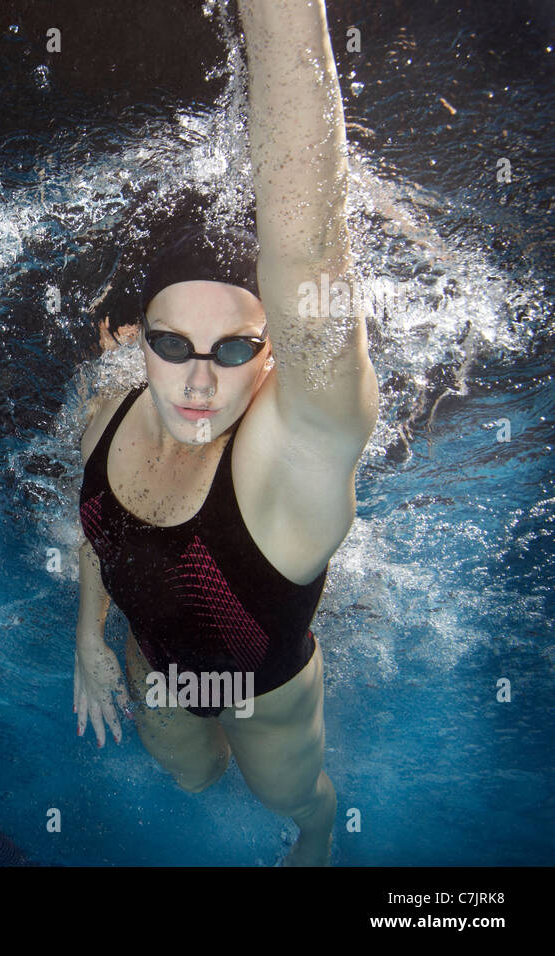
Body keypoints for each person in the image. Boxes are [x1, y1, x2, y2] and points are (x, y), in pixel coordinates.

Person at [73, 0, 379, 866]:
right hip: (158, 670)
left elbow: (310, 259)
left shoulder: (290, 466)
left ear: (274, 354)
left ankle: (317, 845)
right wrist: (87, 639)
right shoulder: (108, 417)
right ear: (139, 342)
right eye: (172, 345)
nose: (200, 379)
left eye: (234, 348)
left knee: (290, 797)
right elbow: (98, 529)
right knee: (191, 775)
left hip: (269, 699)